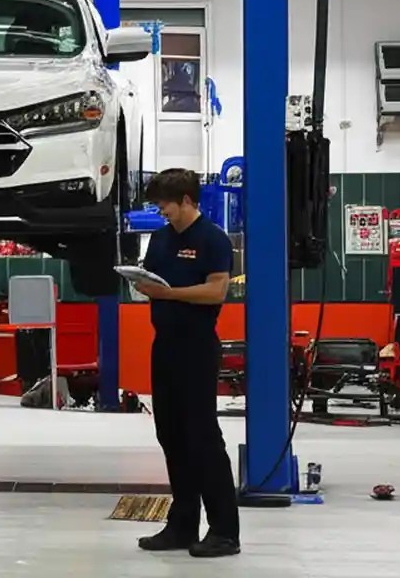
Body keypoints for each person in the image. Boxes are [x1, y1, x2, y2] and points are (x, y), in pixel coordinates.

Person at [133, 168, 241, 559]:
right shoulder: (160, 240)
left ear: (188, 201)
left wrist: (169, 293)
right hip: (165, 347)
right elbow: (153, 282)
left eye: (165, 204)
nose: (161, 211)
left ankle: (225, 531)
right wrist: (144, 286)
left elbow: (216, 291)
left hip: (197, 348)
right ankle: (182, 525)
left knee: (203, 439)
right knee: (171, 436)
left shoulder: (212, 239)